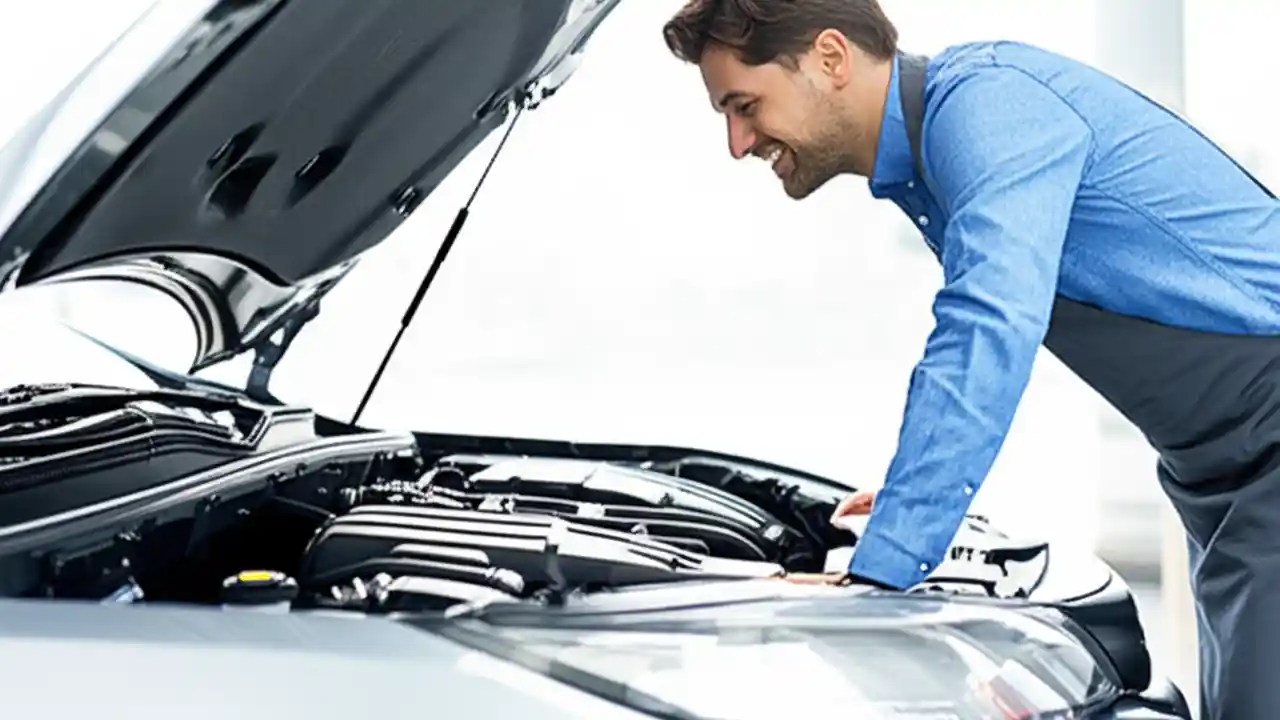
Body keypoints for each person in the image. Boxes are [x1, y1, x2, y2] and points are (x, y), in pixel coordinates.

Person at [659, 1, 1280, 718]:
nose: (738, 143)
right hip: (1222, 474)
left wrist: (888, 560)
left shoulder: (988, 107)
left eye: (744, 106)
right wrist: (909, 494)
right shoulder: (933, 157)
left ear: (831, 58)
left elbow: (988, 326)